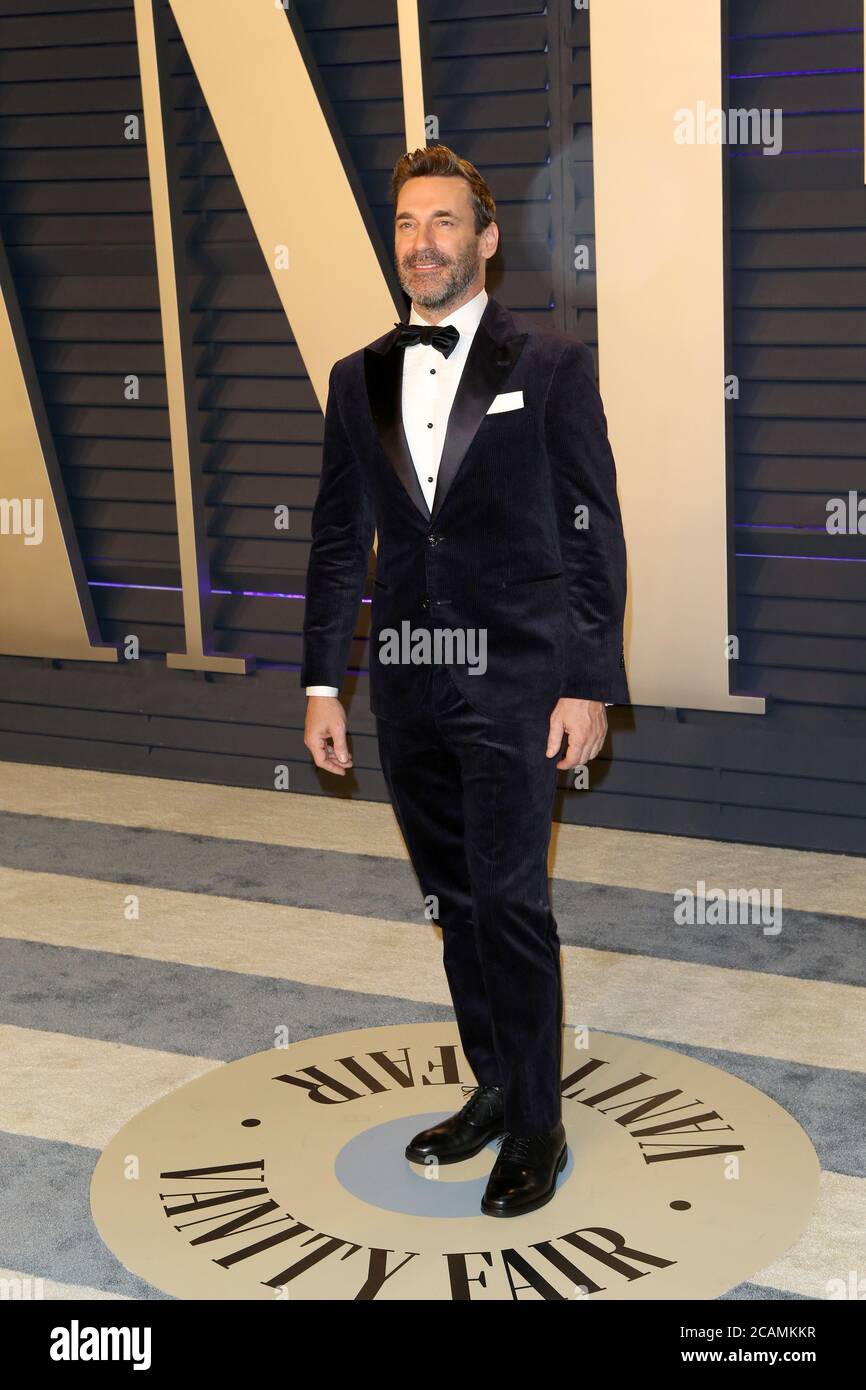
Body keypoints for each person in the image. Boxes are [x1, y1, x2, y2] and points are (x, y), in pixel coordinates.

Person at [301, 144, 629, 1217]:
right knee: (451, 903)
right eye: (404, 224)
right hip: (407, 685)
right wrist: (320, 687)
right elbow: (338, 538)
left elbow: (590, 533)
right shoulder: (356, 376)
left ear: (484, 238)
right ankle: (491, 1081)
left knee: (510, 899)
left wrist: (586, 681)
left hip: (518, 683)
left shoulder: (549, 364)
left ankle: (537, 1121)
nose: (420, 243)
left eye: (442, 222)